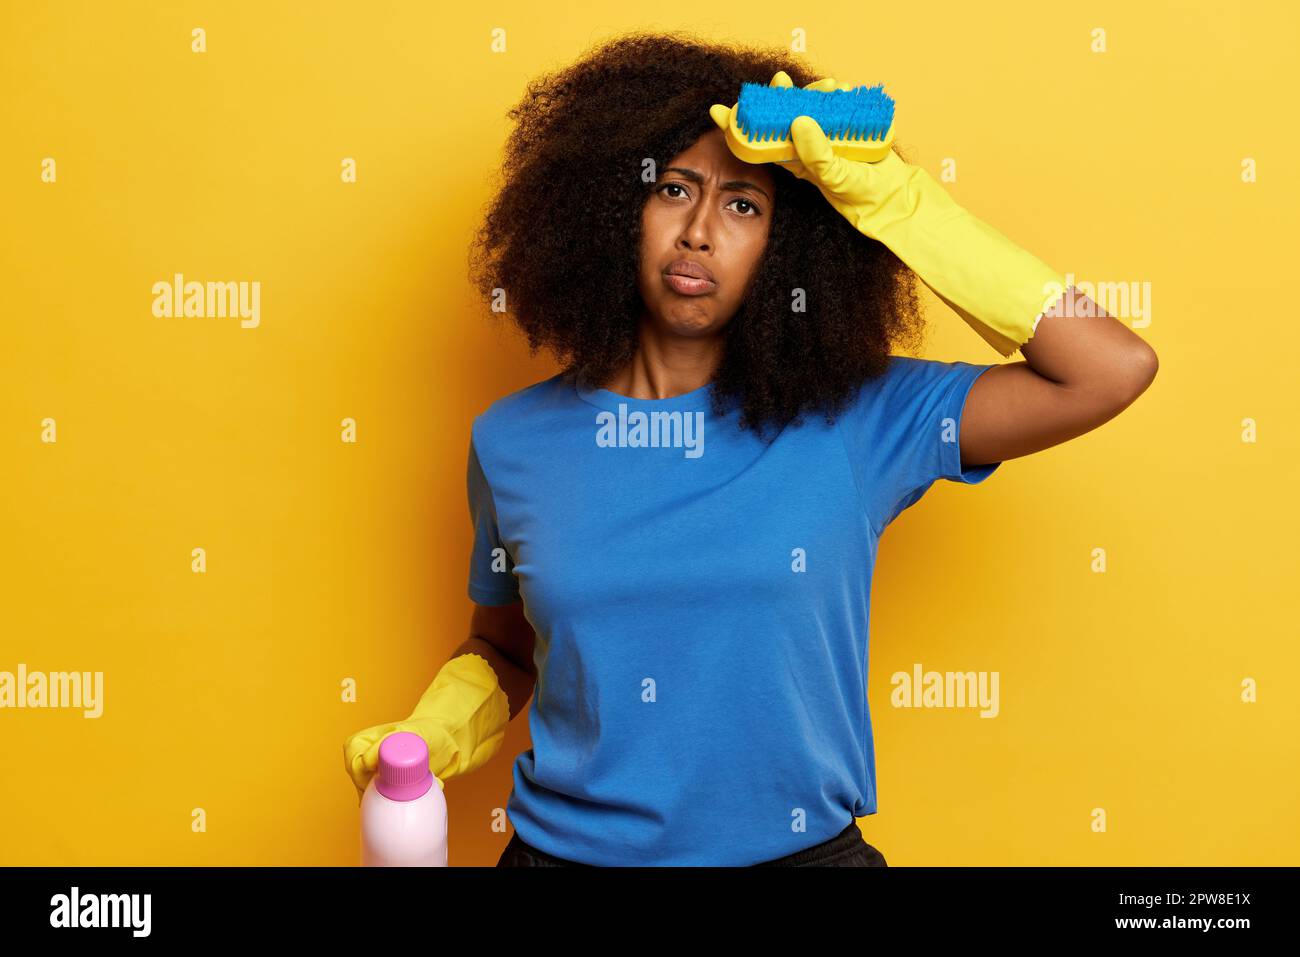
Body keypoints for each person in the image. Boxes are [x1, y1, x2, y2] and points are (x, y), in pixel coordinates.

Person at [344, 32, 1158, 867]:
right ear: (612, 209)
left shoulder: (858, 416)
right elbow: (507, 647)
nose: (699, 231)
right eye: (674, 189)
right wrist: (433, 732)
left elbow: (1108, 371)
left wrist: (900, 208)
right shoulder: (512, 441)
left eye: (744, 205)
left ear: (788, 246)